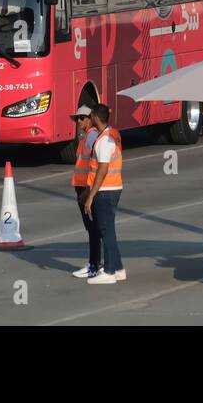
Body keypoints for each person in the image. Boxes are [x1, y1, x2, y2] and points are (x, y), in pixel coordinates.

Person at [82, 104, 125, 285]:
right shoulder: (110, 134)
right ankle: (118, 268)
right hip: (112, 188)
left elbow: (103, 168)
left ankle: (109, 272)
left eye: (91, 115)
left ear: (95, 117)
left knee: (105, 231)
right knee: (109, 231)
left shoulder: (104, 140)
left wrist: (91, 195)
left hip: (105, 190)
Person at [70, 105, 102, 280]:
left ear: (91, 118)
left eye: (82, 118)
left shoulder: (91, 136)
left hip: (86, 189)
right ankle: (94, 263)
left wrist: (90, 191)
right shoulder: (85, 137)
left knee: (93, 229)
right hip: (82, 187)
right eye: (77, 118)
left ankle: (94, 265)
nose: (79, 121)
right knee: (92, 229)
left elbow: (94, 161)